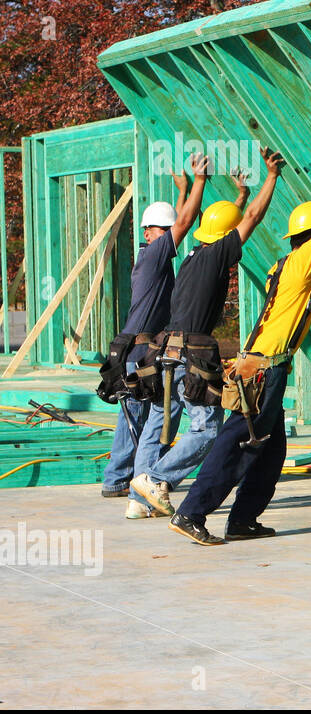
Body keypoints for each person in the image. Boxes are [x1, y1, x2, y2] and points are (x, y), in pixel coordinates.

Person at [169, 134, 311, 545]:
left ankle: (243, 519)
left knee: (271, 451)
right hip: (264, 371)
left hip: (262, 367)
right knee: (237, 444)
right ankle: (191, 512)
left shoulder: (285, 266)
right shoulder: (300, 264)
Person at [129, 147, 282, 518]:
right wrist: (271, 177)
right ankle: (155, 478)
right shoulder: (216, 255)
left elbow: (232, 217)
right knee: (206, 429)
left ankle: (146, 493)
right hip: (190, 355)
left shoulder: (196, 255)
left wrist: (241, 193)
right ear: (225, 237)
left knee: (161, 422)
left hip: (171, 352)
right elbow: (252, 219)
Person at [100, 155, 212, 510]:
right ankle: (139, 484)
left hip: (132, 351)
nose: (171, 239)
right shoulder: (153, 254)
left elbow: (175, 224)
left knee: (133, 417)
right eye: (164, 233)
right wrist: (199, 181)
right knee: (152, 418)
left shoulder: (153, 255)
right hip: (136, 354)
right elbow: (185, 222)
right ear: (150, 233)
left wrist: (180, 191)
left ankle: (118, 479)